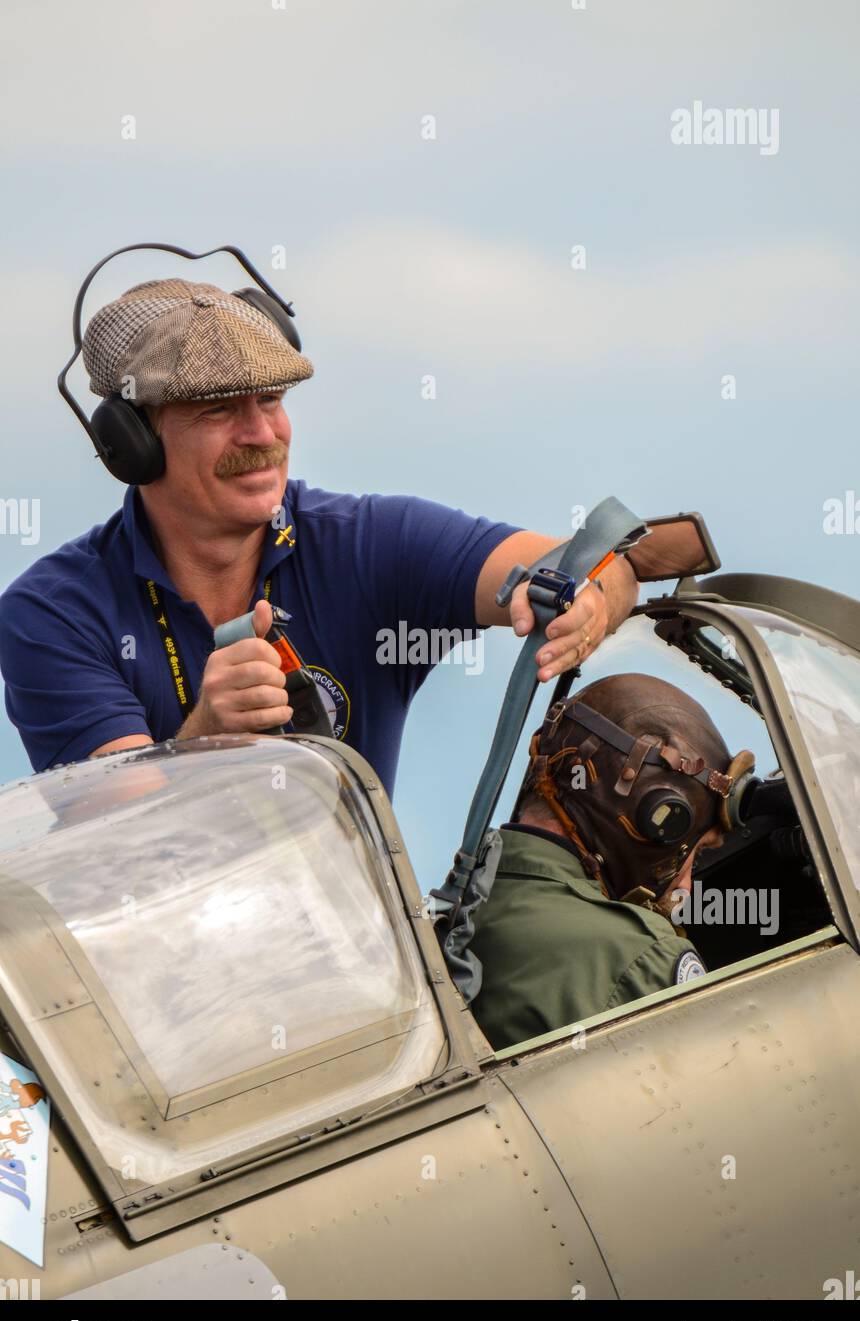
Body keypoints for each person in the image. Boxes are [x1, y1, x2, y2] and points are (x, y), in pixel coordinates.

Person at [0, 275, 639, 792]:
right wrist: (205, 740)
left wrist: (588, 603)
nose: (262, 434)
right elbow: (119, 833)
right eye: (218, 409)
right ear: (132, 444)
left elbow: (594, 563)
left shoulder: (368, 542)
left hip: (358, 918)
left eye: (271, 400)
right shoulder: (52, 612)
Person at [470, 674, 752, 1050]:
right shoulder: (639, 957)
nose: (685, 886)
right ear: (646, 821)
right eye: (694, 853)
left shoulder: (453, 912)